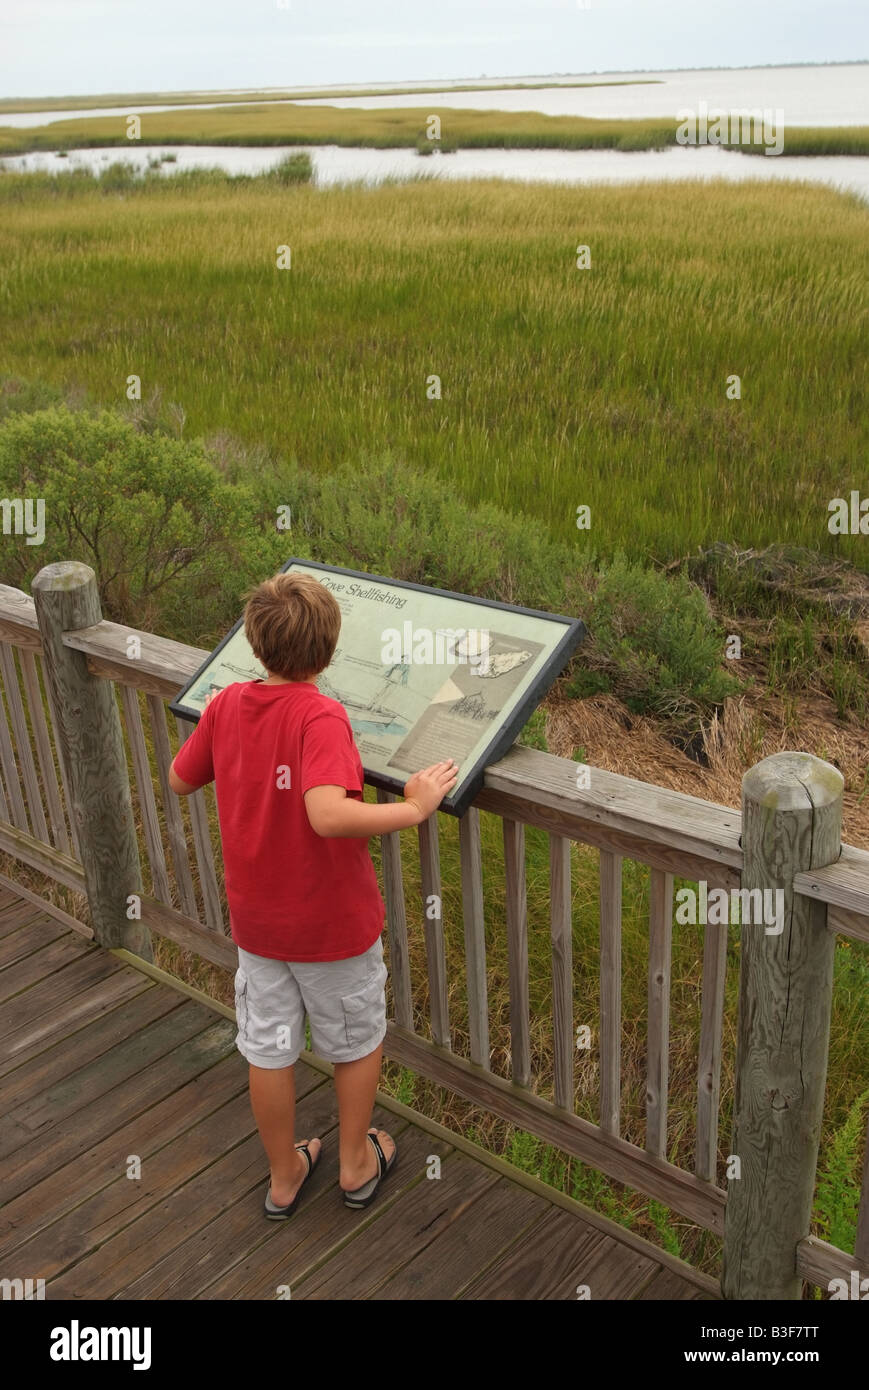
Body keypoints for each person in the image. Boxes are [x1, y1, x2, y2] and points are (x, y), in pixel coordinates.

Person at [168, 570, 457, 1219]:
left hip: (258, 925)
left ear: (253, 642)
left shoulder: (224, 704)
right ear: (328, 651)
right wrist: (413, 808)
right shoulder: (322, 715)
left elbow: (180, 779)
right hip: (330, 926)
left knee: (268, 1047)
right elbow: (327, 814)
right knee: (353, 1040)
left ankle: (284, 1175)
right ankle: (355, 1164)